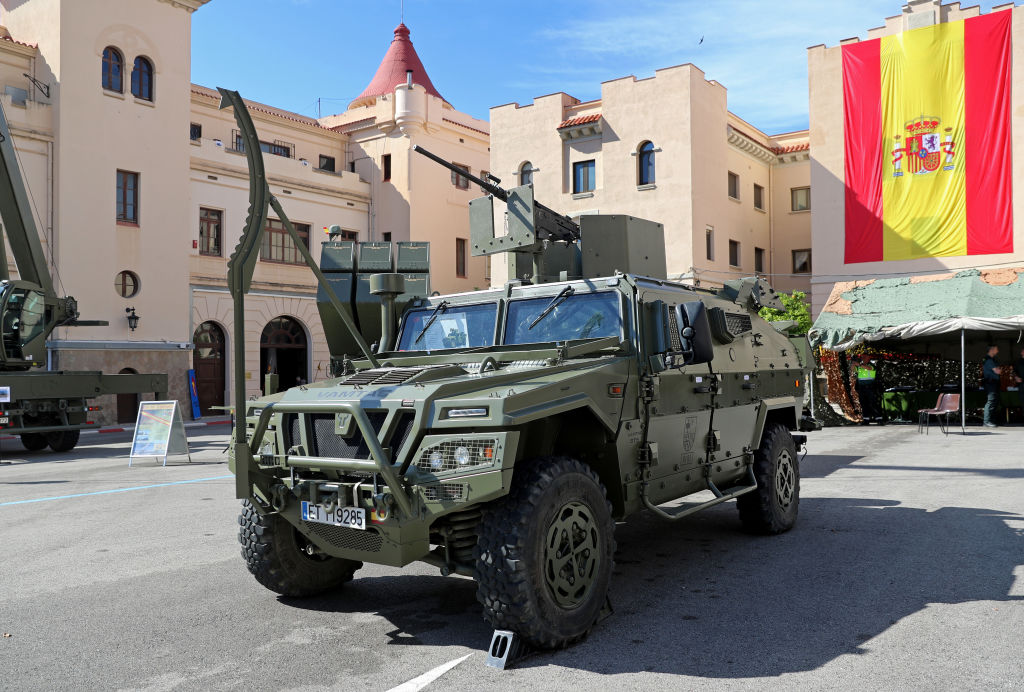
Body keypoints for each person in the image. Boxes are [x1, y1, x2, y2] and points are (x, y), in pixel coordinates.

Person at [855, 354, 881, 423]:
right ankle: (866, 419)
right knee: (864, 404)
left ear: (869, 358)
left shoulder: (872, 364)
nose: (863, 358)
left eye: (865, 357)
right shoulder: (860, 366)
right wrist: (853, 363)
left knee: (873, 403)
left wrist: (858, 364)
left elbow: (869, 368)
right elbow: (853, 369)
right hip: (862, 388)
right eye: (862, 357)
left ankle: (879, 419)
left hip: (870, 387)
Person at [982, 344, 1003, 428]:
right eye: (996, 349)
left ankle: (990, 420)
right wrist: (998, 369)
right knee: (991, 401)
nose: (997, 351)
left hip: (993, 383)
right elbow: (998, 371)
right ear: (992, 350)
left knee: (994, 402)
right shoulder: (989, 360)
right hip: (991, 383)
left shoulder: (991, 359)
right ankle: (986, 421)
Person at [1014, 347, 1024, 418]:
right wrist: (1016, 377)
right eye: (1023, 351)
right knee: (1022, 401)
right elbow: (1015, 371)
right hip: (1021, 384)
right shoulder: (1018, 362)